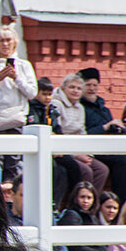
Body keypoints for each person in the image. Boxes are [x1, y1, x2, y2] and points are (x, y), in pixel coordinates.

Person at [0, 26, 38, 181]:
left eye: (8, 40)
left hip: (17, 120)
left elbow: (32, 93)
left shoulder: (24, 65)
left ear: (15, 42)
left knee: (14, 165)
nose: (5, 44)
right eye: (1, 40)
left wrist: (16, 77)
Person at [79, 66, 126, 205]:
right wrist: (105, 127)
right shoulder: (80, 108)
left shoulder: (103, 108)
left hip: (109, 147)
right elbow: (84, 133)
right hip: (94, 150)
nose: (92, 88)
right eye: (88, 85)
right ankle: (120, 203)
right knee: (123, 160)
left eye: (95, 85)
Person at [50, 74, 108, 194]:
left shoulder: (80, 108)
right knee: (86, 171)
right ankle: (78, 202)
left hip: (78, 149)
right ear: (63, 88)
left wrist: (87, 154)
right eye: (72, 87)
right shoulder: (56, 104)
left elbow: (82, 132)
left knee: (102, 170)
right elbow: (61, 131)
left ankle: (92, 204)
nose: (75, 91)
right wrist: (76, 155)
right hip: (65, 151)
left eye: (78, 88)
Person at [26, 77, 74, 207]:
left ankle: (62, 205)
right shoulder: (31, 108)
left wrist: (58, 145)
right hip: (41, 150)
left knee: (71, 167)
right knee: (51, 167)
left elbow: (58, 130)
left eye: (49, 94)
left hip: (54, 149)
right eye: (44, 94)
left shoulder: (52, 110)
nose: (47, 98)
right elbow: (34, 127)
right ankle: (47, 201)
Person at [56, 182, 106, 251]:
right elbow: (76, 247)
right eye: (82, 197)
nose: (86, 201)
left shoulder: (93, 218)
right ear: (75, 198)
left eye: (89, 198)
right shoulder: (71, 216)